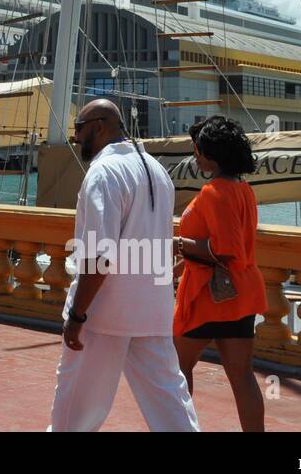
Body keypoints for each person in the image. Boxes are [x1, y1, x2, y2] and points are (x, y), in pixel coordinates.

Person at [48, 99, 199, 432]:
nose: (75, 138)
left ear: (99, 126)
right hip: (153, 310)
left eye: (78, 129)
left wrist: (77, 315)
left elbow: (100, 256)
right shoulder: (157, 170)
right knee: (171, 405)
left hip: (105, 314)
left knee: (74, 412)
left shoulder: (104, 173)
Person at [173, 115, 267, 432]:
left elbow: (227, 250)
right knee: (242, 377)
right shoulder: (244, 189)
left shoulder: (214, 191)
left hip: (208, 295)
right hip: (241, 293)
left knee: (178, 368)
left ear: (211, 154)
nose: (195, 157)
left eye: (197, 151)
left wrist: (180, 244)